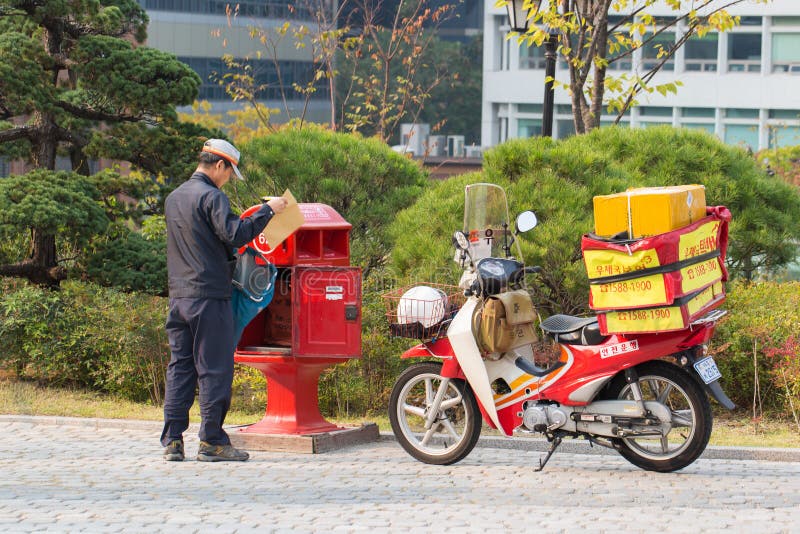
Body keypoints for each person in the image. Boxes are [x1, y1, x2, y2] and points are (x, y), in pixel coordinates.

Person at [161, 139, 287, 462]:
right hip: (209, 298)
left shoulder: (174, 199)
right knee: (214, 368)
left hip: (179, 298)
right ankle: (212, 441)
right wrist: (270, 209)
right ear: (220, 166)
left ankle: (173, 441)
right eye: (230, 173)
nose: (228, 179)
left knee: (180, 366)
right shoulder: (211, 197)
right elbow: (236, 233)